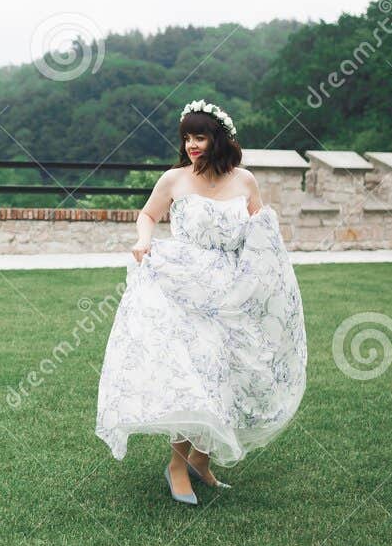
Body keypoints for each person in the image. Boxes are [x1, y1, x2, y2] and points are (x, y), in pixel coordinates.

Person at [95, 100, 307, 504]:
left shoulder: (245, 182)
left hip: (231, 289)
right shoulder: (175, 179)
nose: (192, 145)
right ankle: (177, 465)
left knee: (227, 373)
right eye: (187, 137)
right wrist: (143, 240)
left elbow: (259, 233)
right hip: (184, 283)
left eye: (200, 136)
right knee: (197, 372)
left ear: (219, 139)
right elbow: (147, 215)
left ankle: (201, 461)